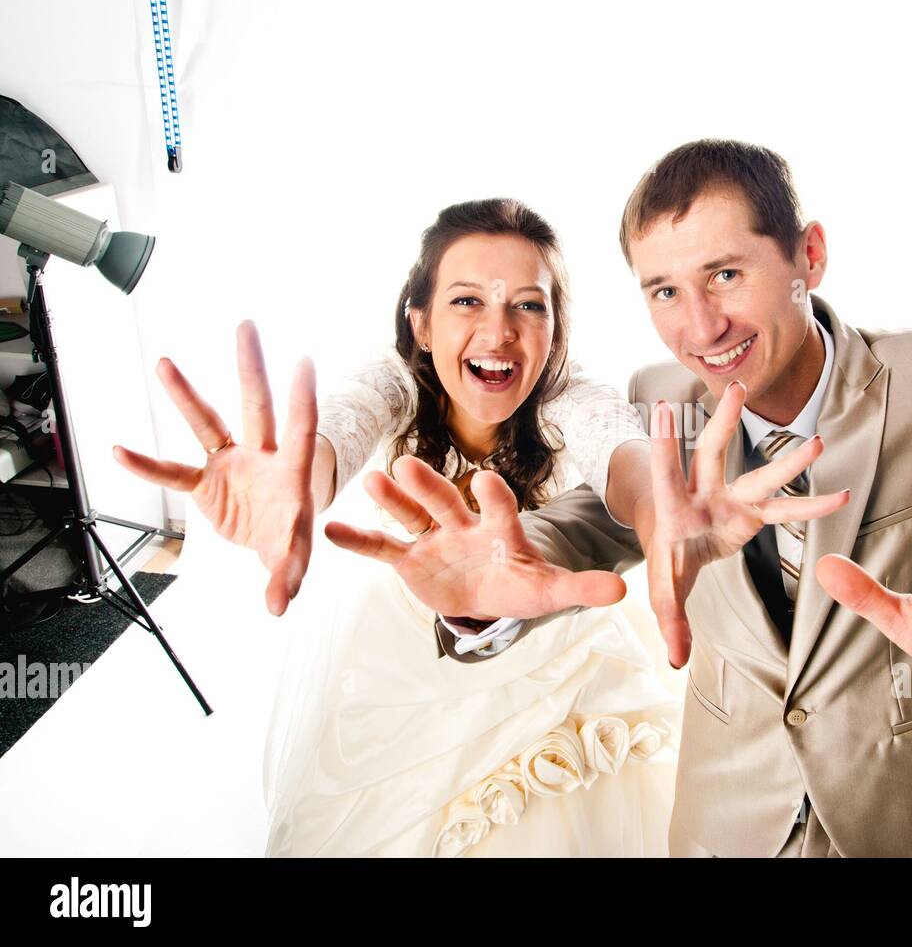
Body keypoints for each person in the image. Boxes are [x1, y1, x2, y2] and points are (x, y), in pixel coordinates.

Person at [336, 140, 912, 858]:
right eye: (664, 292)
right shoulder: (659, 400)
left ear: (808, 256)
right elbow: (598, 521)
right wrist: (502, 573)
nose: (703, 327)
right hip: (732, 823)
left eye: (725, 274)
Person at [113, 197, 839, 856]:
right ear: (421, 323)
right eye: (467, 300)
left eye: (529, 305)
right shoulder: (393, 383)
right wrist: (297, 487)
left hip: (564, 648)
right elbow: (340, 427)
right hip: (414, 642)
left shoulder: (569, 391)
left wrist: (658, 507)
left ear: (555, 328)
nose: (500, 331)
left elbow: (619, 449)